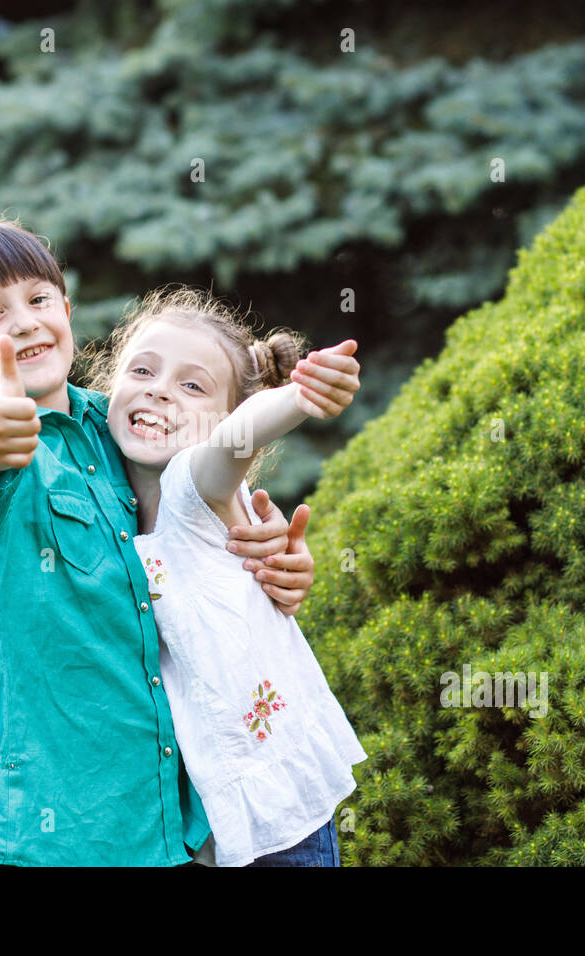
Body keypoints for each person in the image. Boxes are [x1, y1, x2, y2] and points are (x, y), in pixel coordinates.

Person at [0, 214, 317, 866]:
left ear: (66, 310)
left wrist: (271, 556)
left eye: (38, 300)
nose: (24, 322)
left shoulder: (117, 422)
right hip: (55, 835)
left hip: (172, 829)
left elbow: (203, 501)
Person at [89, 287, 368, 867]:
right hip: (203, 820)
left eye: (193, 386)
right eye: (142, 370)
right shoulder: (99, 499)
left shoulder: (191, 488)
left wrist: (298, 398)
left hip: (277, 815)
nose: (160, 389)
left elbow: (234, 440)